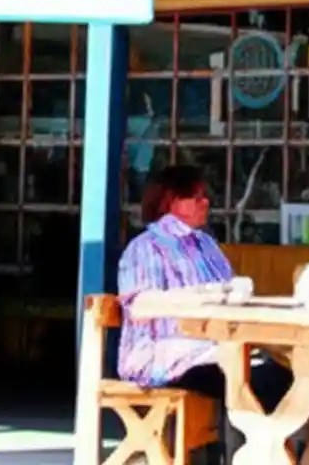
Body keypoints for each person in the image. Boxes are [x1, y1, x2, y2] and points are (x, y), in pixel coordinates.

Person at [117, 165, 292, 457]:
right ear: (170, 202)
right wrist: (197, 297)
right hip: (165, 354)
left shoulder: (207, 245)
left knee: (278, 375)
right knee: (254, 381)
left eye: (204, 196)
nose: (205, 203)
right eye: (196, 197)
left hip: (212, 350)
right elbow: (139, 304)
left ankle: (254, 456)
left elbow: (227, 290)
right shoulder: (146, 247)